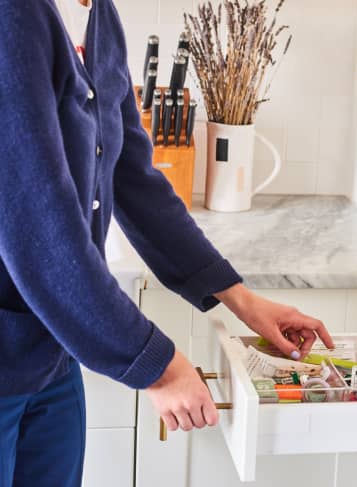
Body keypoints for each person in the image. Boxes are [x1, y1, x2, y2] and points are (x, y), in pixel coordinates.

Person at [0, 1, 334, 486]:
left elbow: (131, 172)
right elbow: (39, 226)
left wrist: (239, 298)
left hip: (50, 352)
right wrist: (160, 367)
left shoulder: (98, 14)